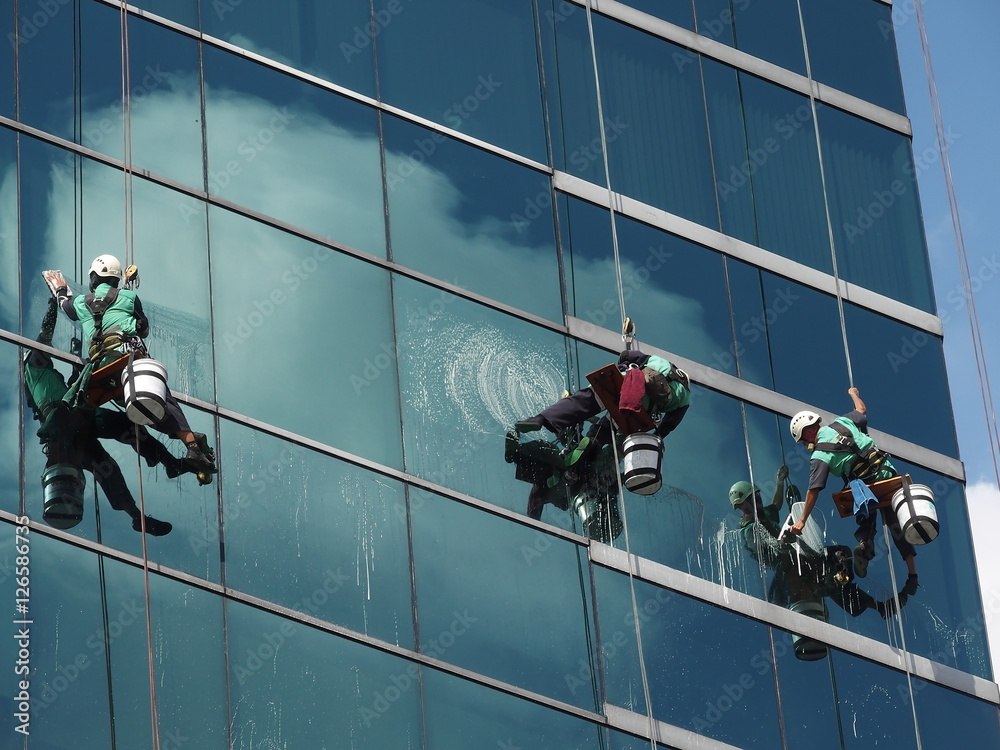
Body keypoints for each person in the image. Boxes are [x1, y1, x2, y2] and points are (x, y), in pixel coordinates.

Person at [48, 255, 216, 475]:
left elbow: (65, 305)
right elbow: (143, 330)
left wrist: (60, 288)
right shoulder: (129, 297)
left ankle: (190, 442)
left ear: (94, 277)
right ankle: (191, 444)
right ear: (115, 279)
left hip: (100, 368)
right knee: (160, 400)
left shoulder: (81, 303)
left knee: (138, 405)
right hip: (126, 359)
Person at [24, 299, 179, 535]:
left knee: (118, 444)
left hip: (76, 424)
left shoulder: (46, 379)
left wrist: (77, 365)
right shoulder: (33, 369)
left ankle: (164, 466)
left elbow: (71, 389)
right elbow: (45, 335)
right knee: (111, 458)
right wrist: (53, 305)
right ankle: (136, 512)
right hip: (65, 421)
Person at [787, 387, 918, 596]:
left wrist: (802, 520)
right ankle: (913, 575)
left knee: (864, 509)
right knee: (895, 523)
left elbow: (814, 490)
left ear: (809, 432)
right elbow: (862, 410)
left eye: (803, 441)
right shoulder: (843, 422)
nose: (804, 445)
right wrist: (853, 393)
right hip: (887, 474)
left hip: (866, 486)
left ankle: (865, 547)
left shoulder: (820, 454)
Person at [730, 466, 904, 620]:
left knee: (840, 556)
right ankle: (834, 586)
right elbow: (764, 554)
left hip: (797, 554)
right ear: (742, 507)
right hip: (788, 564)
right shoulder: (750, 530)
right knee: (831, 571)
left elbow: (776, 504)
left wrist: (780, 482)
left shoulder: (764, 515)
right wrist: (782, 543)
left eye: (758, 497)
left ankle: (851, 590)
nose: (759, 502)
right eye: (754, 499)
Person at [514, 348, 691, 460]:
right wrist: (655, 437)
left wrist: (624, 365)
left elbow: (626, 355)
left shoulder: (659, 361)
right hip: (639, 410)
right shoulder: (685, 399)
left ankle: (541, 419)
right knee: (609, 426)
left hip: (626, 386)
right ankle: (593, 443)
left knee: (586, 400)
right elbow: (668, 426)